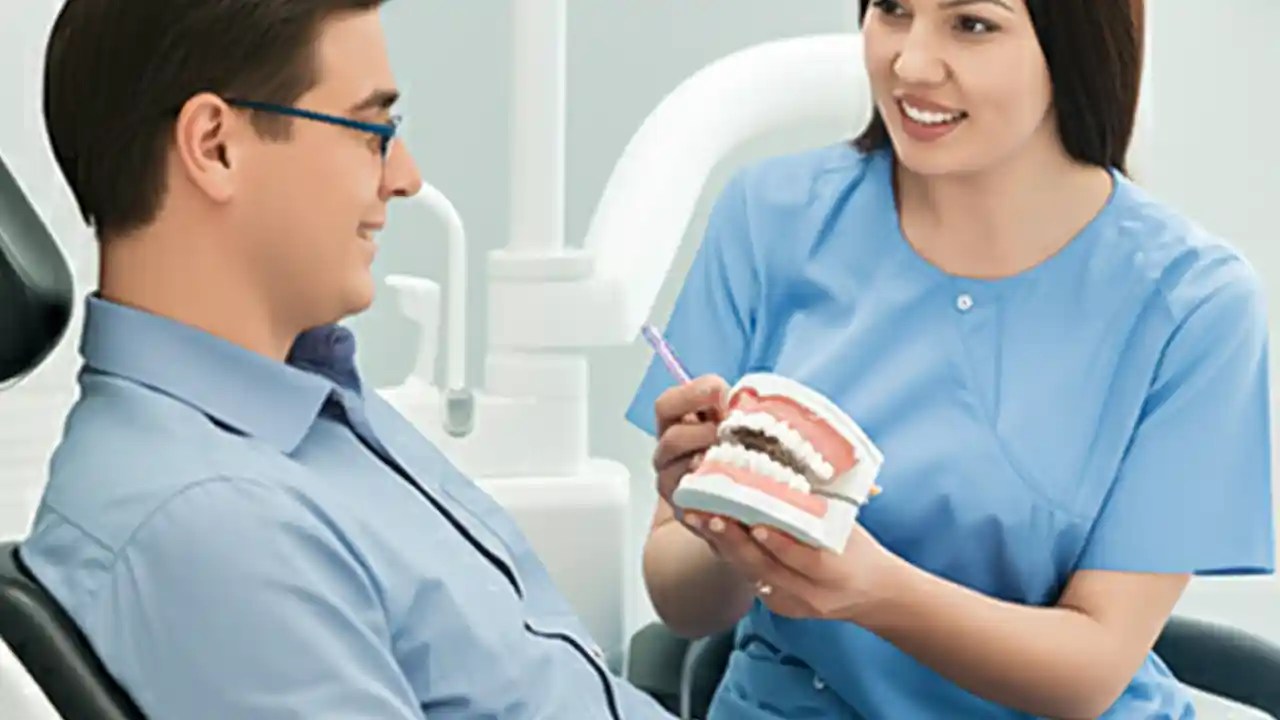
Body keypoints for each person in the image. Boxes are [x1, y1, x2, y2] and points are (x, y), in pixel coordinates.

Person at [19, 2, 673, 718]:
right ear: (215, 147)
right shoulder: (215, 530)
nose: (406, 177)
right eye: (372, 131)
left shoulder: (305, 412)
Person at [626, 0, 1275, 718]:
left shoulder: (1191, 304)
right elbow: (683, 606)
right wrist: (714, 517)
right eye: (894, 11)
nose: (910, 64)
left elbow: (1091, 671)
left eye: (972, 24)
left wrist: (873, 590)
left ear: (1077, 43)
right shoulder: (770, 215)